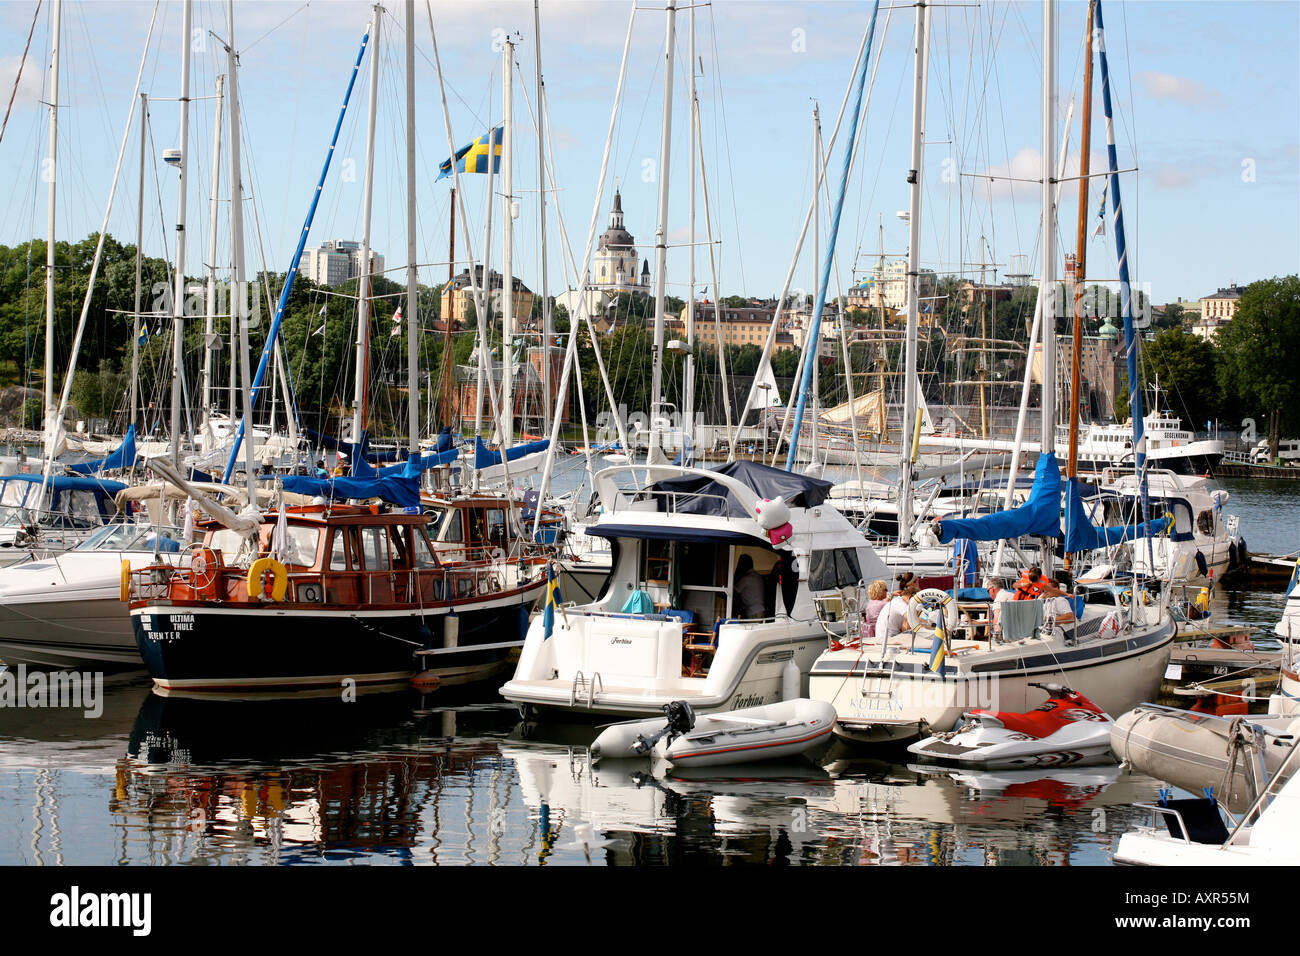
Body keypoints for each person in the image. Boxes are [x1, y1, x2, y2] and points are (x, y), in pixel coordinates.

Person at [733, 554, 766, 619]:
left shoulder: (746, 579)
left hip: (753, 612)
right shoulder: (758, 577)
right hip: (761, 610)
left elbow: (735, 591)